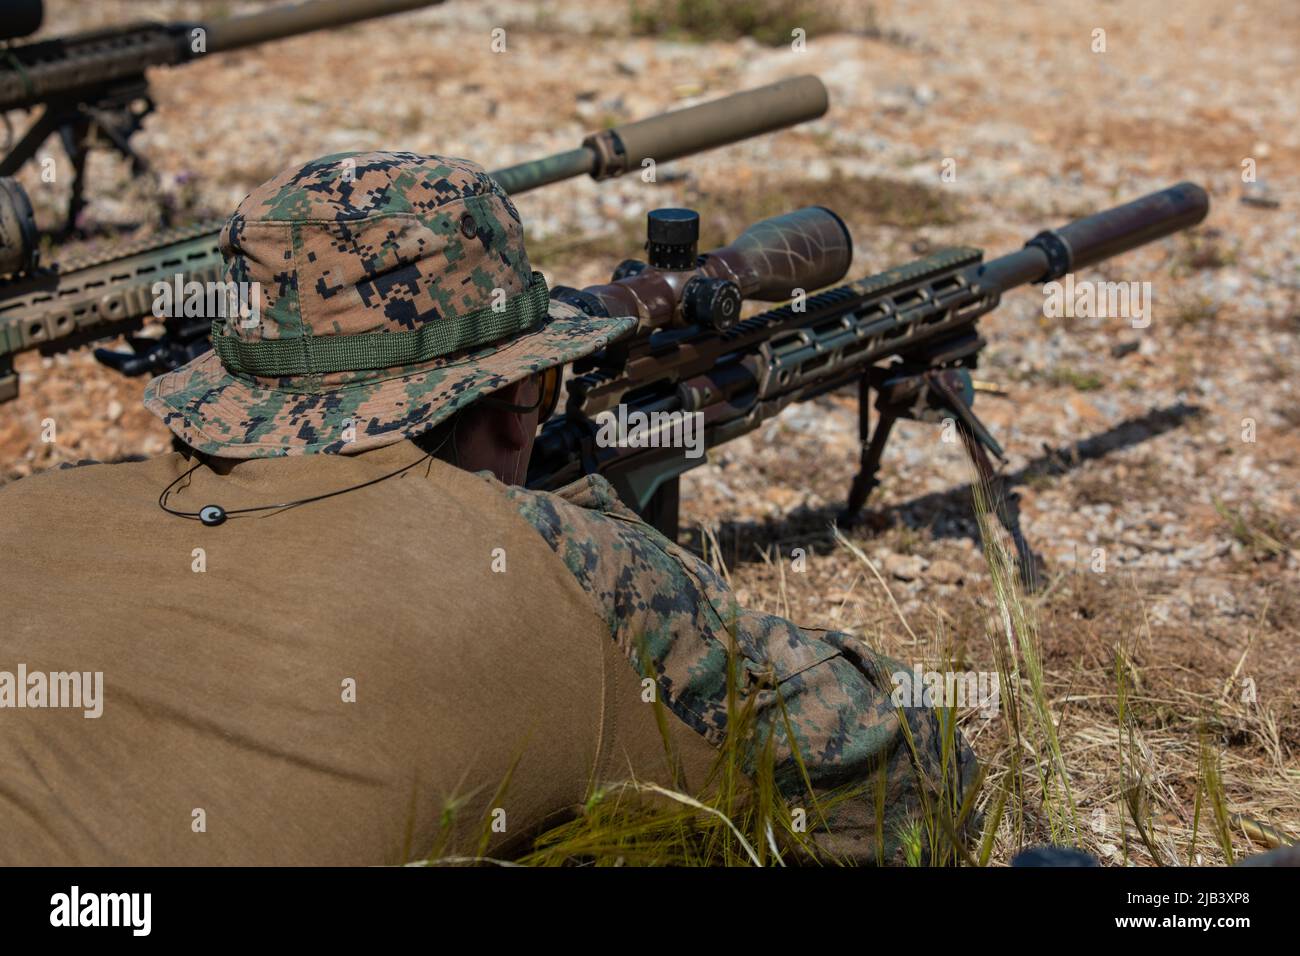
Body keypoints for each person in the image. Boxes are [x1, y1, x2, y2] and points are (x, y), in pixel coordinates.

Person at [0, 151, 976, 865]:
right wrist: (600, 544)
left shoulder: (33, 510)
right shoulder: (546, 560)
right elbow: (910, 770)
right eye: (537, 391)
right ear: (516, 411)